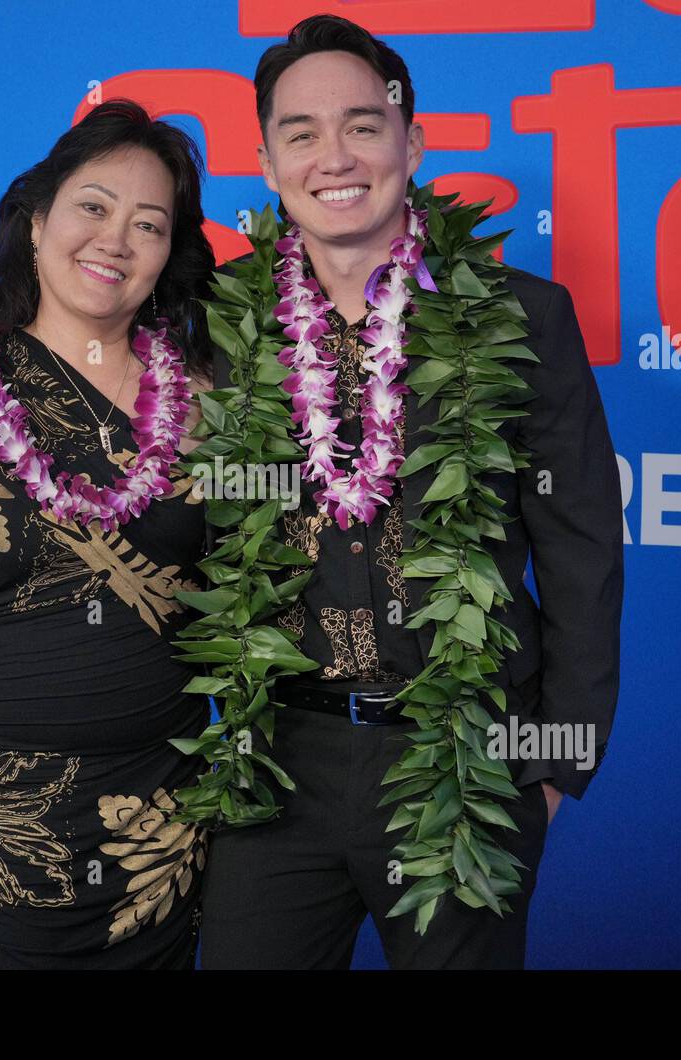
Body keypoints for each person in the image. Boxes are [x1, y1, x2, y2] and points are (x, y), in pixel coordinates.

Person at [190, 15, 625, 969]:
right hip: (274, 763)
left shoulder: (524, 316)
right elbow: (173, 498)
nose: (332, 156)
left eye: (363, 123)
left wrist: (551, 766)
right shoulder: (221, 323)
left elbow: (583, 552)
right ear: (265, 163)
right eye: (299, 134)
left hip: (462, 768)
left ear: (412, 141)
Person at [0, 99, 217, 968]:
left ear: (168, 256)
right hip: (8, 819)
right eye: (93, 207)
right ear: (35, 223)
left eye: (149, 225)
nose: (115, 241)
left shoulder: (207, 405)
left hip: (167, 811)